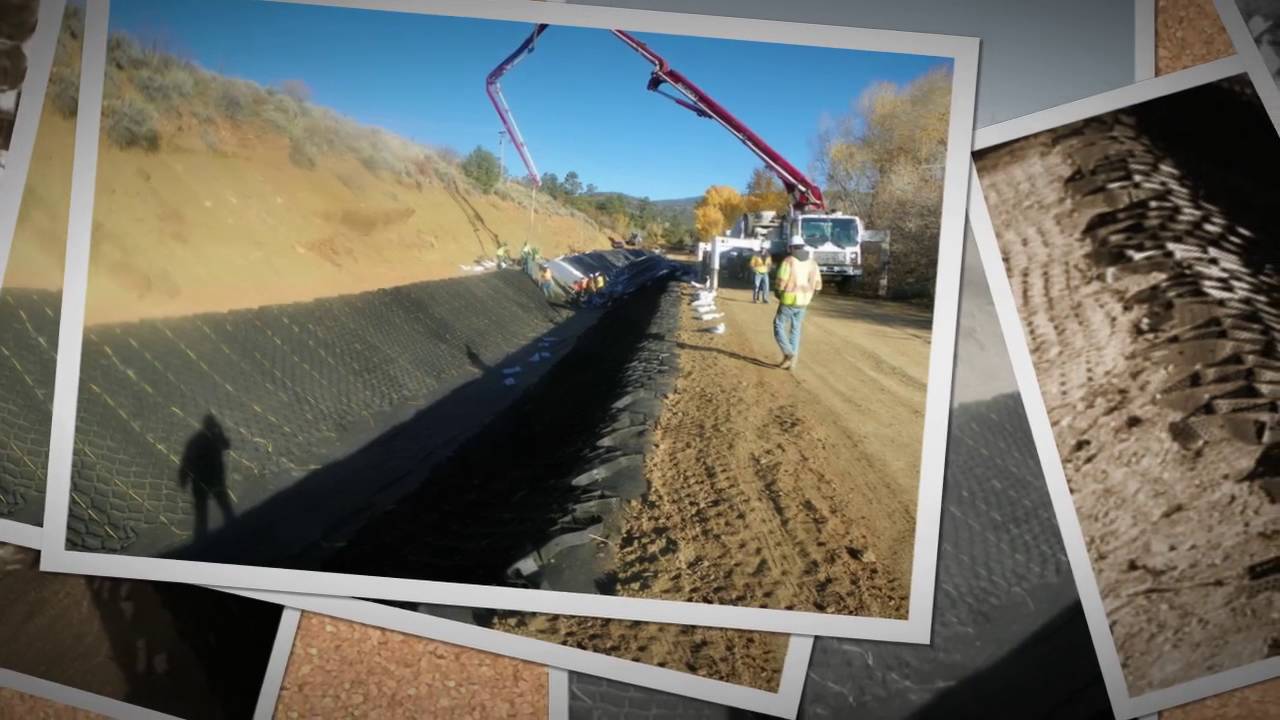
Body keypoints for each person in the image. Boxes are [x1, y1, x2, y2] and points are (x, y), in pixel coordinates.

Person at [773, 236, 821, 370]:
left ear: (791, 247)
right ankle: (792, 362)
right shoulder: (812, 263)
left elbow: (781, 279)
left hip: (789, 299)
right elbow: (817, 283)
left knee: (778, 325)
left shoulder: (789, 261)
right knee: (796, 329)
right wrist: (813, 292)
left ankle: (788, 352)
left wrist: (777, 291)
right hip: (804, 300)